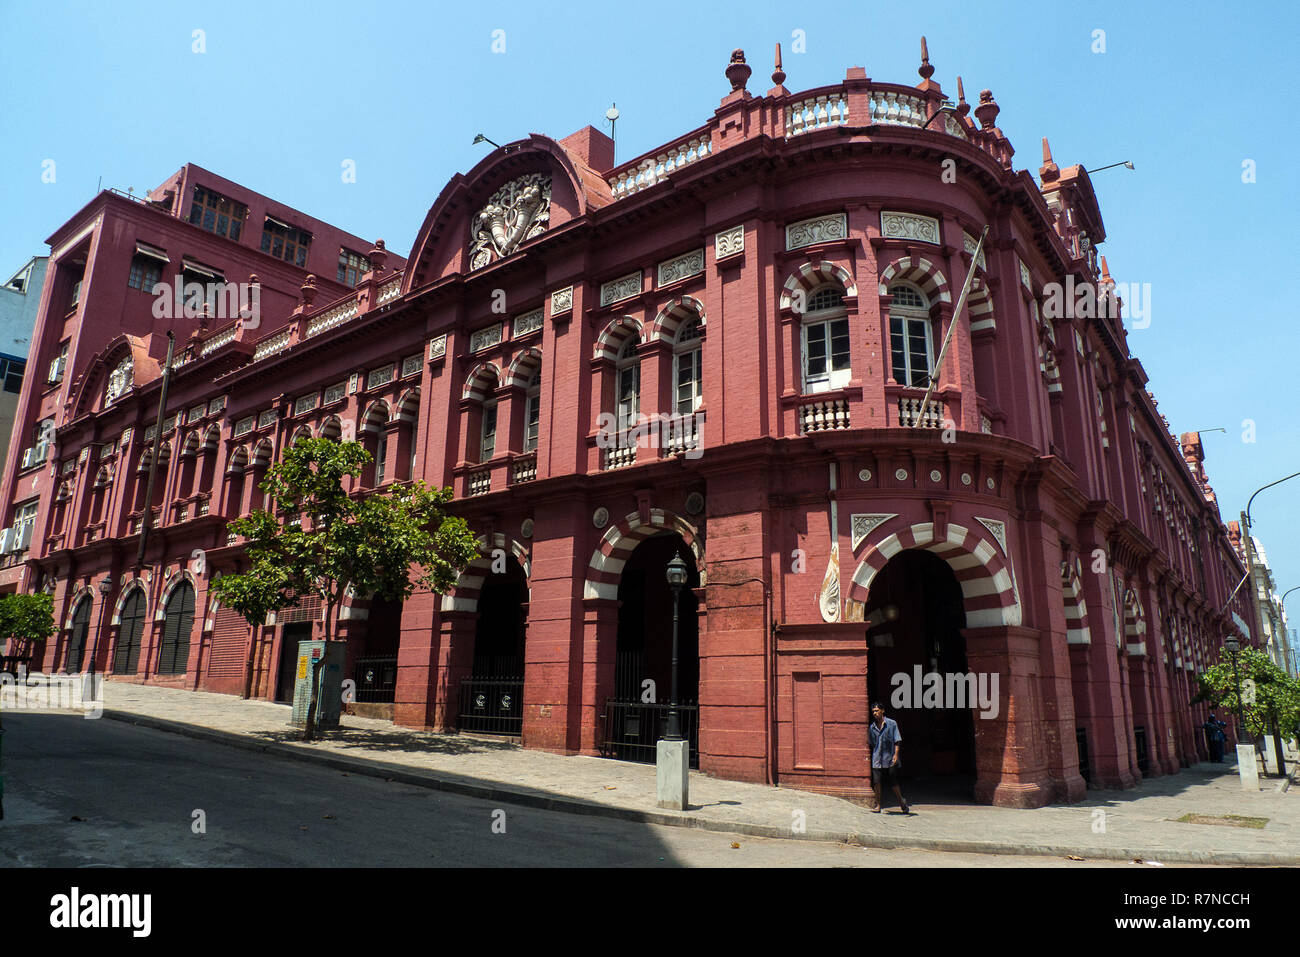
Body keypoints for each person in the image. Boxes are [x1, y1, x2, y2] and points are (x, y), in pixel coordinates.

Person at [868, 702, 909, 814]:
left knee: (893, 782)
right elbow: (872, 743)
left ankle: (901, 801)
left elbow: (897, 740)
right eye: (873, 712)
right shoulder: (872, 727)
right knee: (876, 782)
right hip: (877, 759)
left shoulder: (892, 724)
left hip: (890, 758)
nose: (875, 713)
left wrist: (896, 755)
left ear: (882, 711)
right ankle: (878, 805)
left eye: (876, 711)